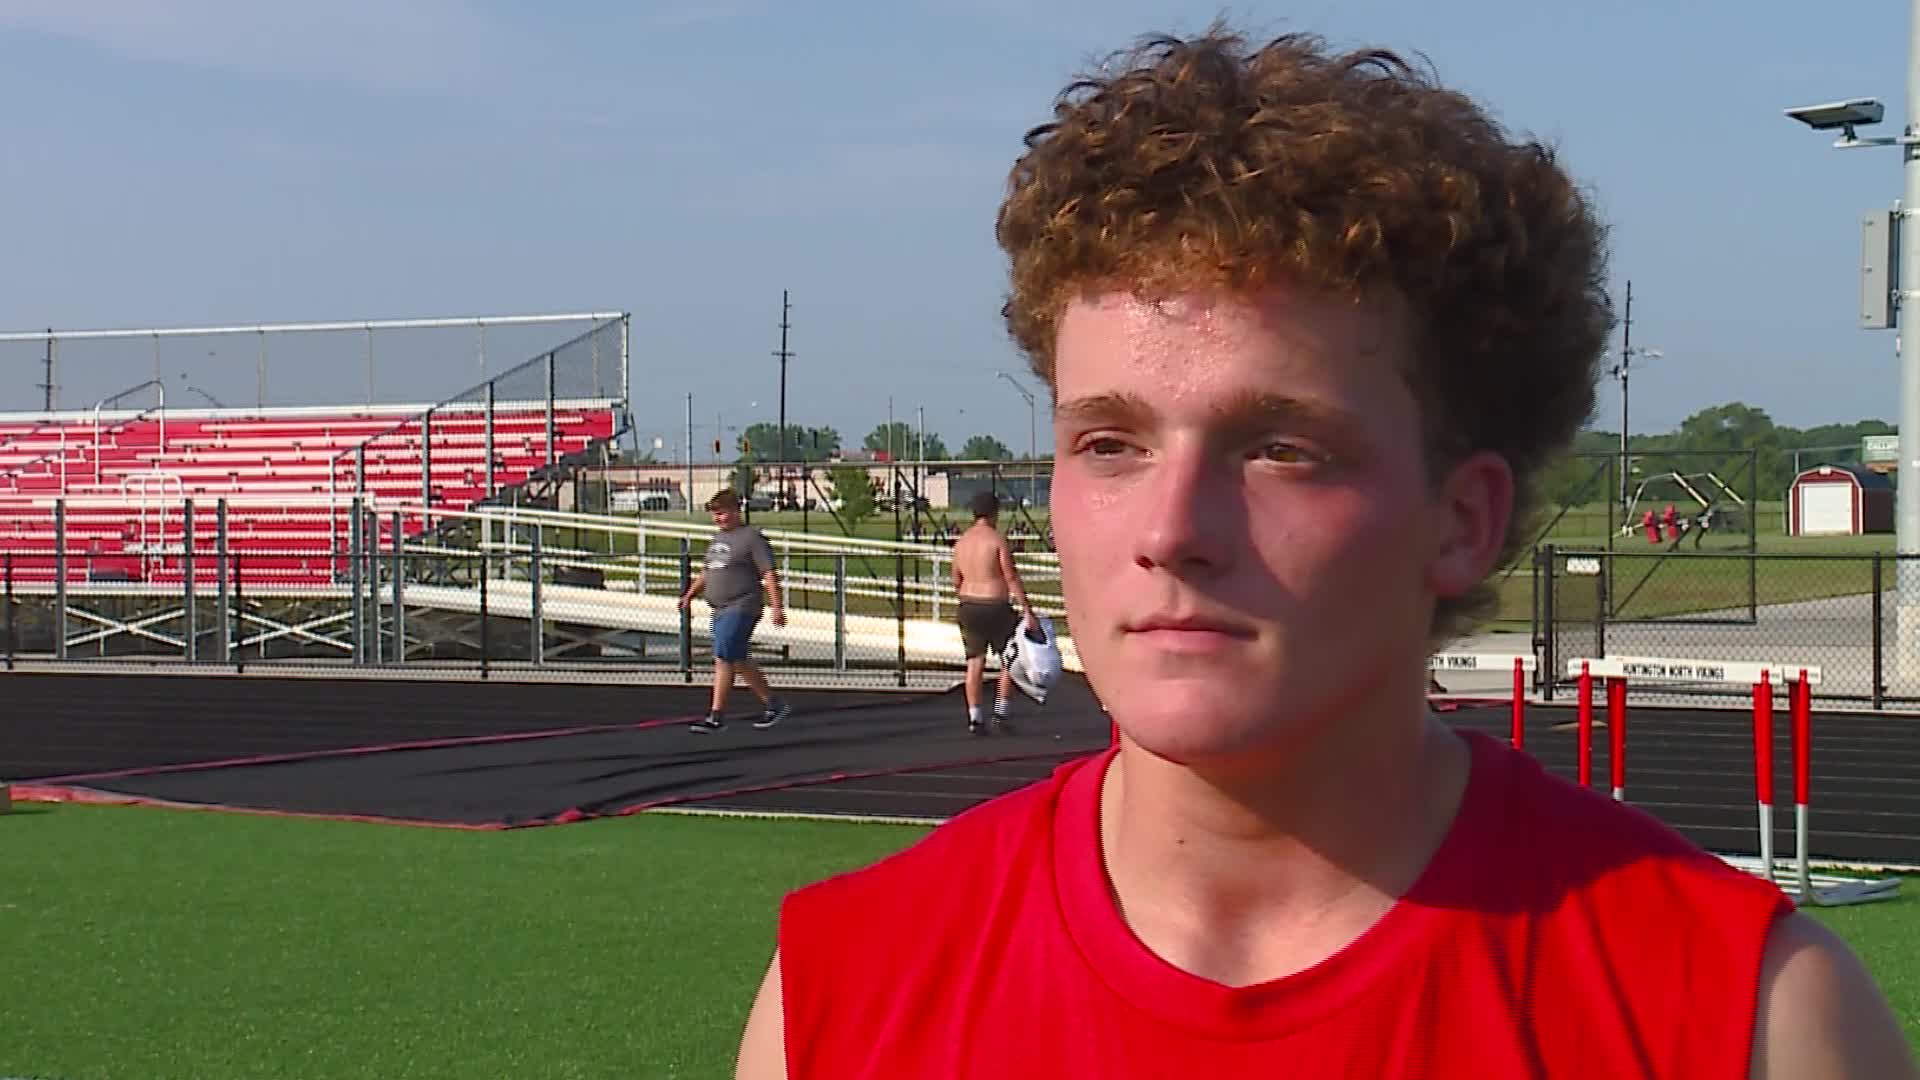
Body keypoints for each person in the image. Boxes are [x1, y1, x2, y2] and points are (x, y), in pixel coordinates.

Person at [735, 26, 1915, 1078]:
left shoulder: (1747, 1021)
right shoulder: (840, 997)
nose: (1171, 528)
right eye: (1110, 442)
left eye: (1280, 448)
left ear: (1464, 520)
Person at [679, 489, 789, 733]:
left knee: (725, 655)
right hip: (719, 608)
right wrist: (690, 593)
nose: (719, 519)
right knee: (734, 658)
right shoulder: (718, 541)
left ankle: (717, 716)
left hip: (742, 605)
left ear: (736, 511)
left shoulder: (752, 539)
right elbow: (707, 572)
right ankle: (773, 703)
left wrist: (777, 607)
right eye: (715, 514)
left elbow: (769, 574)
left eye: (723, 513)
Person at [949, 490, 1037, 734]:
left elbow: (956, 578)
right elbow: (1010, 576)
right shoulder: (997, 540)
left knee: (974, 662)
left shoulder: (961, 542)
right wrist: (1027, 610)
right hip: (995, 606)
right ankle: (1001, 712)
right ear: (994, 513)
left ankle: (975, 717)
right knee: (1009, 660)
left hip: (968, 605)